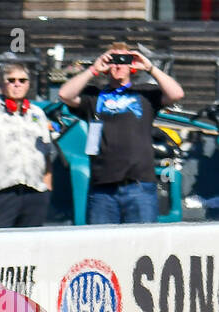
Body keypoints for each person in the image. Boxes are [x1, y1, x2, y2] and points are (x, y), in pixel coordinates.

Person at [57, 41, 184, 224]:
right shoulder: (93, 96)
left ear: (131, 65)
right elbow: (65, 95)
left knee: (143, 247)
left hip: (139, 186)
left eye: (123, 60)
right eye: (112, 60)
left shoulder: (145, 94)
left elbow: (177, 94)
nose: (117, 65)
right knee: (102, 249)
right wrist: (94, 69)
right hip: (103, 189)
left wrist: (149, 67)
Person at [0, 62, 53, 228]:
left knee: (32, 248)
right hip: (2, 193)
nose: (17, 84)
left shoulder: (38, 114)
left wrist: (47, 188)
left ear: (28, 84)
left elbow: (47, 153)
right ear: (2, 84)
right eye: (11, 80)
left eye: (22, 80)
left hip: (35, 193)